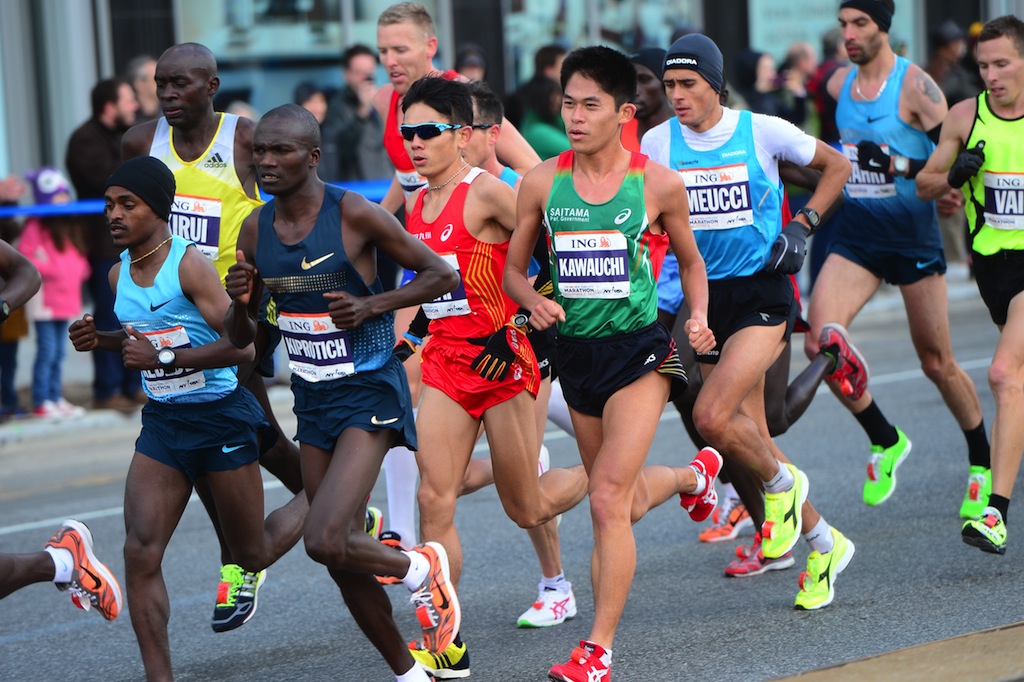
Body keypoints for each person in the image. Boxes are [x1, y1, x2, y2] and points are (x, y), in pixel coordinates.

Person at [505, 45, 730, 681]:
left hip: (640, 355)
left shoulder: (656, 183)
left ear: (623, 112)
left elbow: (689, 260)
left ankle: (597, 651)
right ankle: (693, 478)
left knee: (605, 500)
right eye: (568, 103)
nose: (575, 116)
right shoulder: (542, 182)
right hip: (576, 358)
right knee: (625, 504)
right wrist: (532, 304)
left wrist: (698, 316)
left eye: (590, 105)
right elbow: (515, 272)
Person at [223, 103, 461, 682]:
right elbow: (251, 343)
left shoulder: (354, 213)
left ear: (312, 157)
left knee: (324, 536)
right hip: (314, 398)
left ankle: (417, 568)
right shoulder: (255, 228)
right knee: (338, 555)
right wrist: (241, 301)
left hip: (369, 390)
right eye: (260, 152)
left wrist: (372, 305)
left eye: (281, 151)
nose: (267, 161)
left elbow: (440, 274)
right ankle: (408, 672)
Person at [68, 156, 308, 679]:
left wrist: (165, 360)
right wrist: (102, 342)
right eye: (109, 205)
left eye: (127, 205)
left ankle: (325, 494)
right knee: (140, 550)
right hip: (164, 423)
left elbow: (241, 350)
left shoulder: (189, 265)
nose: (113, 214)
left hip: (221, 415)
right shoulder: (118, 274)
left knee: (253, 553)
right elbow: (146, 343)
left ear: (158, 208)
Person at [647, 32, 856, 610]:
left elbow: (838, 167)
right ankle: (824, 543)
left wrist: (804, 226)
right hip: (707, 299)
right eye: (669, 86)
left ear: (714, 84)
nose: (678, 96)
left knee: (713, 415)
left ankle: (784, 492)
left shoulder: (761, 129)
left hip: (764, 294)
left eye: (688, 84)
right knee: (754, 439)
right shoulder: (658, 143)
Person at [396, 77, 588, 678]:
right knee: (435, 497)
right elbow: (427, 290)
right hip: (450, 361)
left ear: (462, 134)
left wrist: (527, 328)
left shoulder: (491, 195)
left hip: (505, 359)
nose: (416, 144)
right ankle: (446, 637)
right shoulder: (415, 205)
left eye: (429, 132)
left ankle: (608, 470)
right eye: (408, 134)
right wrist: (402, 341)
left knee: (525, 507)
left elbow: (562, 255)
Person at [121, 41, 306, 631]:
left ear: (212, 86)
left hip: (240, 312)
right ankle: (334, 504)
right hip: (175, 316)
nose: (169, 94)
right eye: (161, 84)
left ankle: (242, 560)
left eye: (182, 83)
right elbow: (125, 218)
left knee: (221, 425)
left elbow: (292, 201)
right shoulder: (139, 144)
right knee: (258, 434)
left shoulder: (246, 140)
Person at [813, 0, 990, 518]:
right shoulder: (835, 86)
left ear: (882, 27)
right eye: (843, 24)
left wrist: (912, 171)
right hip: (857, 239)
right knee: (821, 342)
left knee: (936, 363)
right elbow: (837, 152)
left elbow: (951, 160)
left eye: (859, 23)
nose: (848, 33)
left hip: (913, 239)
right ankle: (885, 439)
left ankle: (980, 462)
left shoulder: (917, 87)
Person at [916, 15, 1024, 555]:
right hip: (993, 266)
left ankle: (995, 514)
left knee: (1004, 374)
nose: (991, 75)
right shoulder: (966, 115)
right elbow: (923, 184)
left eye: (1002, 63)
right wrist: (956, 172)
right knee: (1019, 380)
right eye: (983, 66)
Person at [64, 77, 141, 413]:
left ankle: (134, 383)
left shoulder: (123, 136)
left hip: (131, 247)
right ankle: (108, 389)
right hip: (102, 247)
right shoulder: (84, 140)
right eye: (128, 100)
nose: (135, 106)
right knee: (108, 317)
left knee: (135, 314)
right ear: (109, 106)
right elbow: (110, 182)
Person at [17, 167, 89, 418]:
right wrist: (52, 269)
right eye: (57, 197)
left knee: (59, 351)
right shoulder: (35, 226)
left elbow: (78, 259)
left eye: (64, 196)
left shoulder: (70, 226)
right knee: (47, 351)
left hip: (67, 298)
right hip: (45, 300)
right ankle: (42, 400)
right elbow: (26, 259)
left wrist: (78, 271)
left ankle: (55, 397)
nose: (63, 201)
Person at [324, 44, 391, 183]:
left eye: (370, 72)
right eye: (359, 72)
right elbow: (340, 149)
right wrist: (361, 112)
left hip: (386, 181)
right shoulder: (338, 105)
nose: (366, 78)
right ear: (346, 75)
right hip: (358, 188)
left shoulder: (383, 99)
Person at [621, 48, 674, 152]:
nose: (634, 91)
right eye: (629, 81)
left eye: (644, 79)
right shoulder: (614, 131)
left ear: (666, 85)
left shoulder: (688, 130)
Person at [125, 54, 160, 123]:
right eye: (157, 79)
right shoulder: (128, 119)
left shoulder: (170, 113)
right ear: (139, 84)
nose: (163, 83)